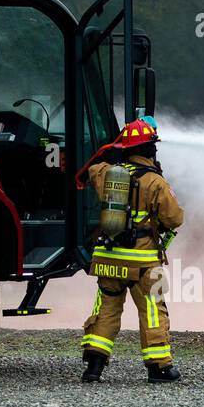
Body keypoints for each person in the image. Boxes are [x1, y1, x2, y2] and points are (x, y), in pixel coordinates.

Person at [78, 116, 184, 383]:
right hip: (143, 261)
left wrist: (110, 154)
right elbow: (175, 219)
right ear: (149, 149)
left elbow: (90, 169)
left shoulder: (106, 173)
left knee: (107, 307)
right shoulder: (155, 182)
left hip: (108, 257)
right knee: (152, 309)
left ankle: (94, 366)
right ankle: (159, 367)